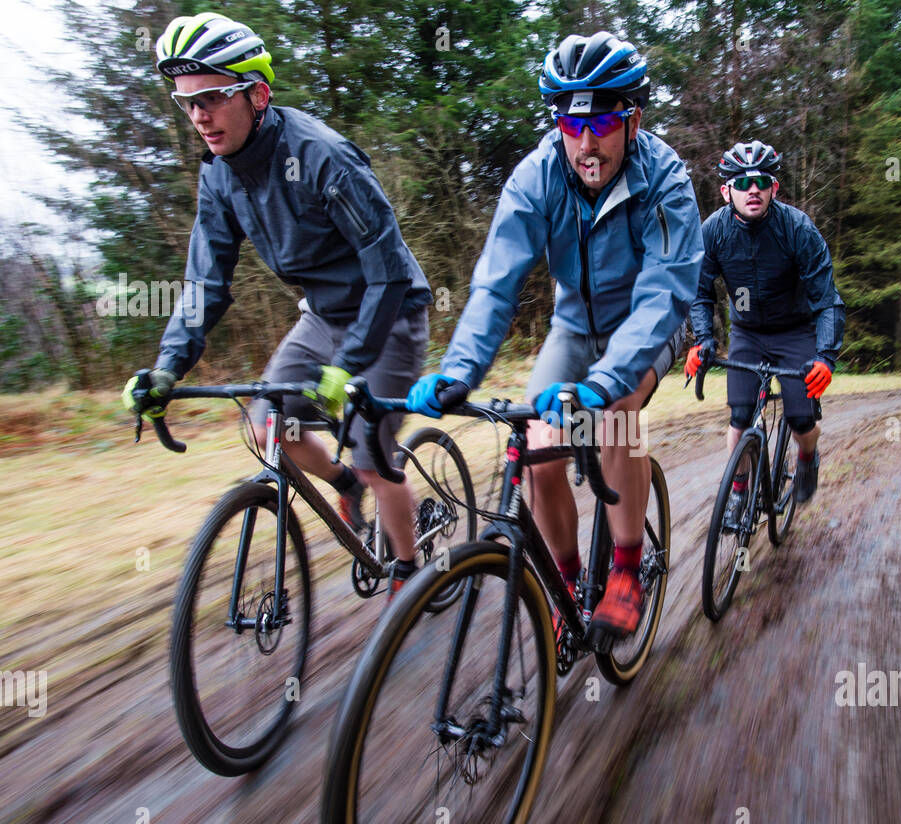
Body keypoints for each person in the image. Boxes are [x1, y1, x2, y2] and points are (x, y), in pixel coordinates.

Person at [406, 31, 704, 650]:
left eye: (602, 123)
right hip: (573, 328)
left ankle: (626, 569)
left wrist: (606, 381)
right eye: (572, 124)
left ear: (633, 119)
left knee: (618, 413)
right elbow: (496, 283)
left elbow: (663, 292)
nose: (586, 143)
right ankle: (568, 588)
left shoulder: (665, 178)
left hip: (650, 323)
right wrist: (460, 368)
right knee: (538, 447)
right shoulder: (537, 176)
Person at [120, 12, 432, 595]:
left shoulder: (322, 156)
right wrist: (168, 367)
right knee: (270, 424)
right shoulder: (219, 176)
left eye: (212, 98)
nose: (199, 116)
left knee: (372, 454)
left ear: (257, 95)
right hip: (322, 315)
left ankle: (410, 581)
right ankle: (344, 482)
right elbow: (205, 283)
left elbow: (388, 272)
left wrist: (349, 364)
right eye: (187, 103)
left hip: (389, 314)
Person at [686, 140, 845, 519]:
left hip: (795, 331)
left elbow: (827, 300)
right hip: (748, 333)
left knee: (802, 420)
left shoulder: (797, 229)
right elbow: (698, 291)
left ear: (774, 187)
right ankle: (739, 490)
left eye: (761, 182)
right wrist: (703, 340)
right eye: (742, 183)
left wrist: (825, 356)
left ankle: (807, 457)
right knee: (740, 417)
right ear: (726, 191)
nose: (752, 189)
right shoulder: (714, 231)